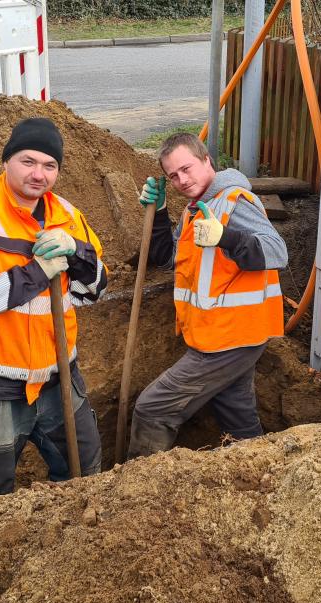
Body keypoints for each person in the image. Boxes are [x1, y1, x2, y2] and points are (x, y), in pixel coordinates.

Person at [0, 117, 107, 501]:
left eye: (50, 166)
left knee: (87, 475)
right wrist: (36, 273)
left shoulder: (67, 215)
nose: (39, 174)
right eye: (28, 161)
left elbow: (93, 290)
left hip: (58, 378)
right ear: (6, 161)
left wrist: (77, 253)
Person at [127, 132, 288, 457]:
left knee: (152, 408)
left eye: (187, 168)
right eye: (173, 176)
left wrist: (225, 237)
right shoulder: (195, 211)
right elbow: (168, 257)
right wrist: (159, 212)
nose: (182, 180)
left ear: (206, 161)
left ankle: (137, 491)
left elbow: (277, 251)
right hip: (221, 334)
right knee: (236, 414)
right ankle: (259, 471)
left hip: (230, 338)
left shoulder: (233, 200)